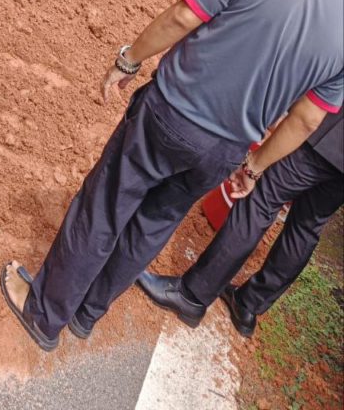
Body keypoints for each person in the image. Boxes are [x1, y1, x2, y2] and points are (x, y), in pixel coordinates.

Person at [0, 0, 343, 351]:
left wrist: (129, 60)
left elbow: (184, 16)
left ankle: (44, 313)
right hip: (226, 150)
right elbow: (307, 117)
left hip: (171, 113)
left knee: (104, 206)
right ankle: (87, 315)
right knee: (152, 225)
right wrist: (254, 166)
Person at [138, 109, 343, 336]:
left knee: (261, 199)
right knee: (307, 225)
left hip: (329, 134)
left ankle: (192, 295)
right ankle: (248, 305)